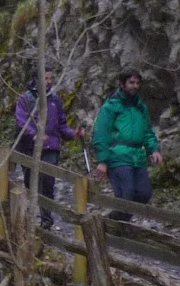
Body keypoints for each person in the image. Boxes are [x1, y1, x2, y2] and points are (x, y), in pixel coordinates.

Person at [92, 68, 163, 221]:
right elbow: (101, 133)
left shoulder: (141, 107)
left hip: (138, 156)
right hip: (117, 156)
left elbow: (147, 132)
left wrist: (154, 149)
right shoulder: (111, 106)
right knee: (126, 195)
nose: (135, 86)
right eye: (131, 82)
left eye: (137, 83)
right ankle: (115, 225)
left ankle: (113, 222)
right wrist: (103, 161)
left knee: (144, 194)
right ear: (122, 84)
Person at [13, 68, 80, 229]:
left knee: (48, 182)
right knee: (30, 181)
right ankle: (29, 218)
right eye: (45, 78)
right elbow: (21, 121)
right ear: (36, 79)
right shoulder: (25, 99)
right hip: (29, 147)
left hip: (51, 147)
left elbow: (62, 125)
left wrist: (73, 134)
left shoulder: (56, 100)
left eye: (50, 78)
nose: (49, 82)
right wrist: (34, 134)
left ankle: (46, 220)